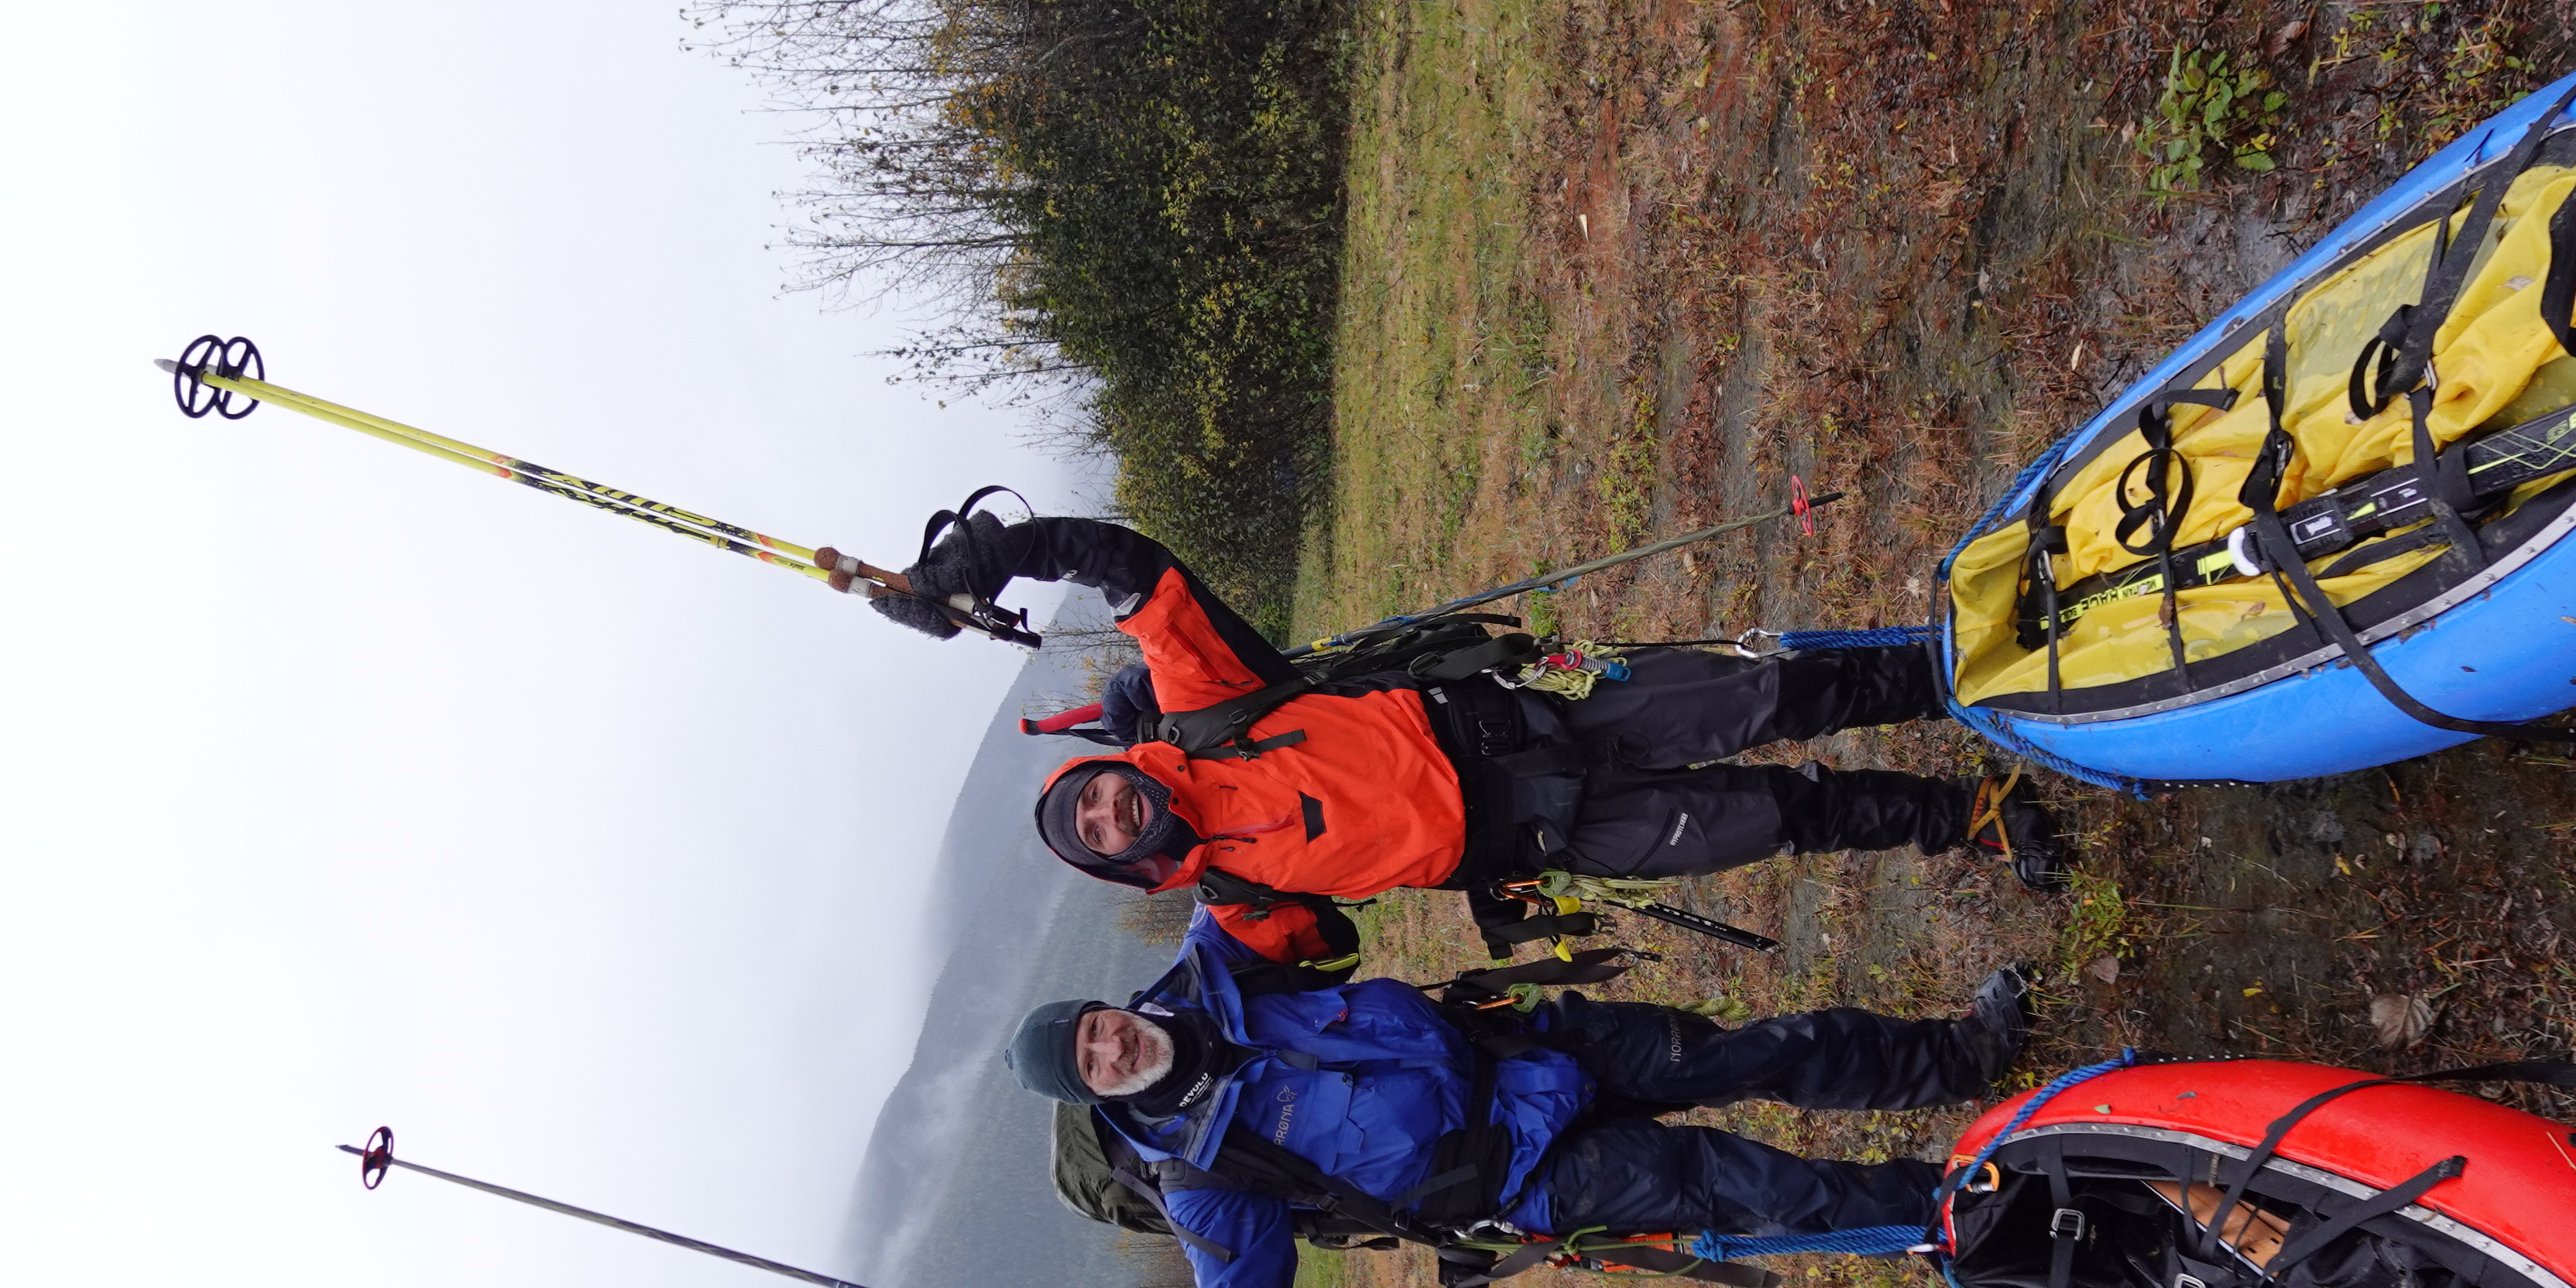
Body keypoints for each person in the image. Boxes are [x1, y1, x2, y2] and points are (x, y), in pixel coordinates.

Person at [876, 510, 2060, 967]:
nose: (1103, 812)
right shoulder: (1231, 897)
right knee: (1775, 819)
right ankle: (1973, 817)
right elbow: (1315, 968)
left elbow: (1132, 570)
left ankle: (1957, 671)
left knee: (1766, 696)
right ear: (1110, 859)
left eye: (1090, 793)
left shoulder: (1205, 712)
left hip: (1539, 698)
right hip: (1546, 839)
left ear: (1110, 769)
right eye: (1090, 833)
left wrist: (988, 564)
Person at [974, 907, 2034, 1288]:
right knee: (1762, 1186)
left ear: (1106, 1007)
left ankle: (1963, 1054)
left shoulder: (1210, 971)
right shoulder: (1203, 1184)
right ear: (1102, 1099)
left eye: (1096, 1028)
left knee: (1763, 1050)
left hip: (1531, 1049)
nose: (1112, 1048)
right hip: (1523, 1180)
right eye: (1094, 1066)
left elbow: (1246, 855)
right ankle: (1959, 1212)